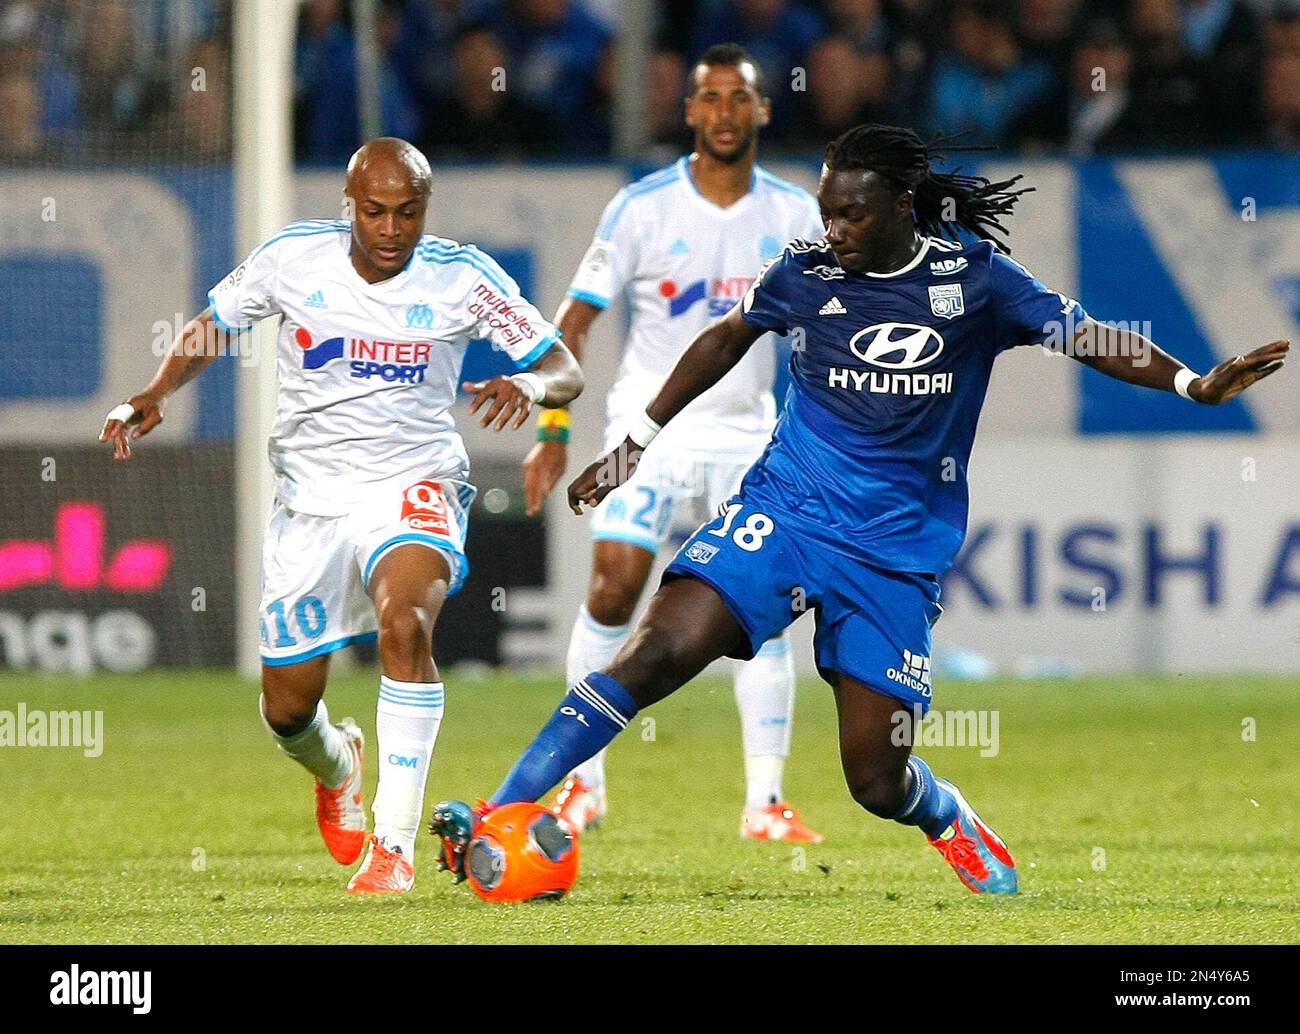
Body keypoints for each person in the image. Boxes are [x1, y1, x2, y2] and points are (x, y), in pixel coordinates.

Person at [432, 124, 1288, 895]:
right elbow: (726, 337)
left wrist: (1191, 382)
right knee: (655, 654)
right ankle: (497, 806)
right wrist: (634, 442)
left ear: (902, 208)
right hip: (787, 514)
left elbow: (1090, 334)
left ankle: (946, 814)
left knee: (875, 780)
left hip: (895, 554)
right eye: (826, 212)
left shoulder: (978, 281)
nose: (832, 230)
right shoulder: (803, 276)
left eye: (850, 215)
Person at [99, 138, 583, 894]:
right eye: (375, 211)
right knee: (288, 711)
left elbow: (566, 367)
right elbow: (211, 324)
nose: (391, 229)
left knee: (406, 625)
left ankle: (392, 847)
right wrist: (155, 392)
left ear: (427, 210)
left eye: (408, 213)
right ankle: (339, 763)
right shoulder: (294, 258)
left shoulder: (462, 276)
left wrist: (530, 383)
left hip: (413, 481)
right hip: (311, 502)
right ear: (348, 206)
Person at [522, 42, 825, 842]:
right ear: (689, 111)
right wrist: (554, 430)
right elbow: (574, 321)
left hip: (749, 437)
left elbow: (832, 329)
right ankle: (583, 789)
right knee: (614, 591)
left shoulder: (797, 215)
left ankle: (765, 803)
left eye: (740, 98)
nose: (724, 112)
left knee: (754, 611)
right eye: (710, 97)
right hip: (645, 433)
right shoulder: (641, 206)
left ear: (762, 109)